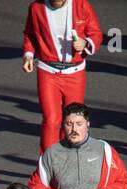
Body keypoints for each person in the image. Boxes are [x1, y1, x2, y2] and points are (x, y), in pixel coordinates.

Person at [21, 0, 104, 153]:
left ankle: (66, 158)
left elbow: (96, 34)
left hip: (75, 73)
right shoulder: (37, 7)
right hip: (48, 71)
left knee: (71, 119)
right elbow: (30, 34)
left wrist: (85, 43)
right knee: (51, 120)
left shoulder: (81, 5)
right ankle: (47, 163)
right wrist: (28, 55)